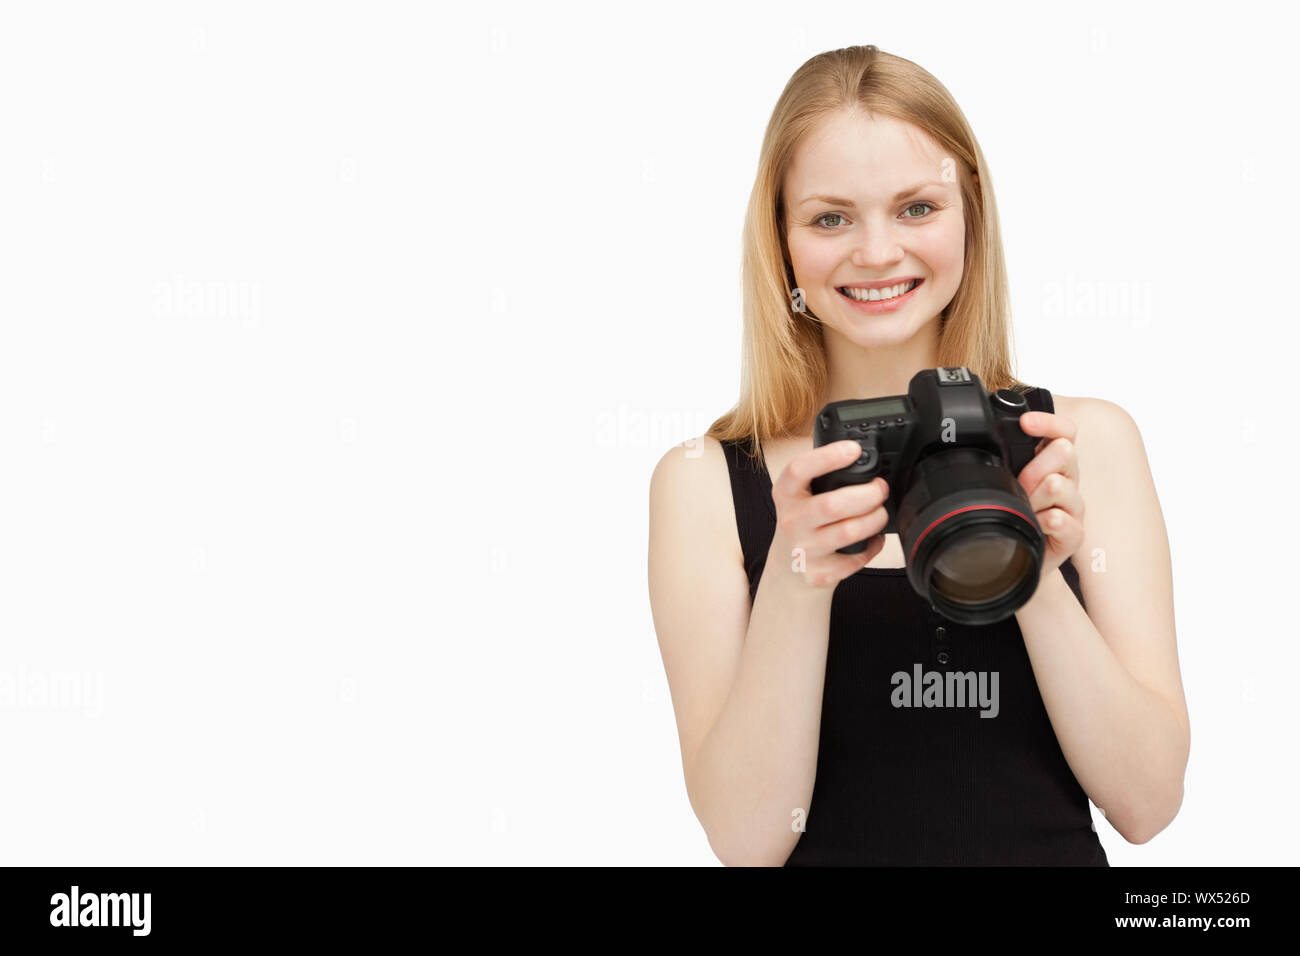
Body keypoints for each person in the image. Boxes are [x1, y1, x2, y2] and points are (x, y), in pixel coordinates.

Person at [646, 45, 1189, 866]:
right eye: (830, 217)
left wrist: (1030, 568)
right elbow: (749, 840)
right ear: (781, 242)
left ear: (968, 212)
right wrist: (796, 580)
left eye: (915, 208)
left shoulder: (1081, 442)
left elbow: (1147, 804)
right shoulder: (707, 483)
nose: (876, 253)